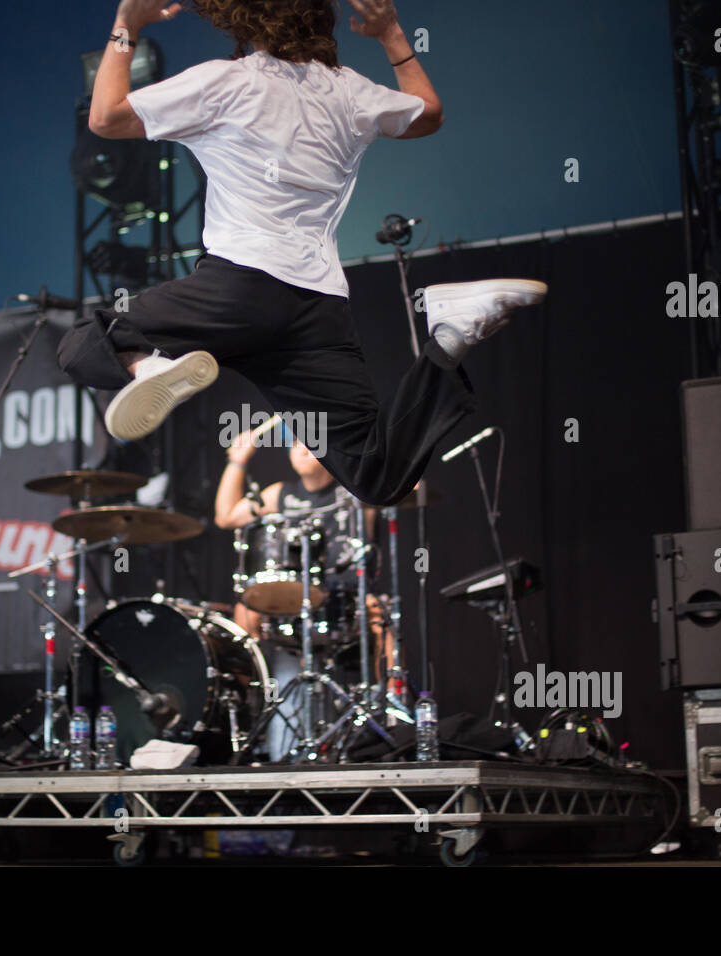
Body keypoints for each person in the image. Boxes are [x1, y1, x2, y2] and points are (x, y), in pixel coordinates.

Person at [57, 0, 547, 508]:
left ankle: (146, 364)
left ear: (243, 18)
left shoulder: (226, 81)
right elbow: (429, 114)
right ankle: (448, 338)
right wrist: (391, 33)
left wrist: (126, 26)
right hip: (316, 310)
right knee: (375, 476)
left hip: (238, 288)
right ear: (322, 19)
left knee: (81, 341)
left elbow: (106, 117)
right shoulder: (350, 90)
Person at [215, 428, 392, 760]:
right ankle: (248, 706)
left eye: (312, 444)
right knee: (244, 610)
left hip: (344, 598)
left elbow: (404, 487)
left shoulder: (355, 492)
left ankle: (392, 709)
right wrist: (238, 462)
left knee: (380, 613)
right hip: (292, 600)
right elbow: (226, 517)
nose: (303, 449)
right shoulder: (279, 495)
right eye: (296, 444)